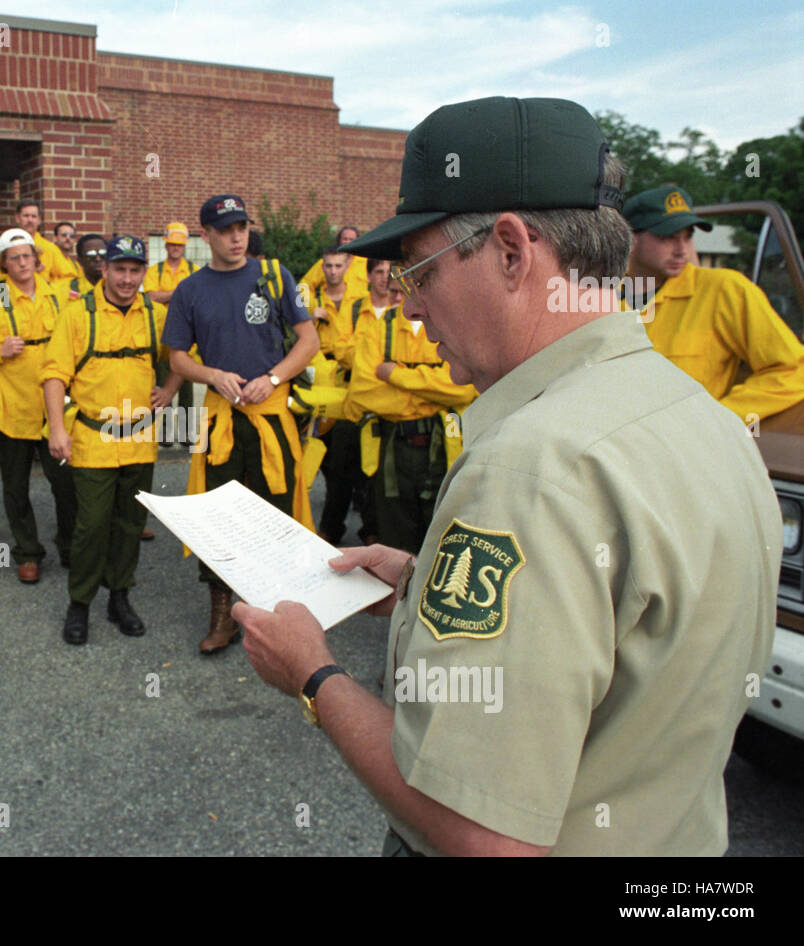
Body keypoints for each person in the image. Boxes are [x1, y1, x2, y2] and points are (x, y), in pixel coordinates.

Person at [235, 96, 779, 857]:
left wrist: (313, 674)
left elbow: (479, 835)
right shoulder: (705, 417)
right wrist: (422, 583)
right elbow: (628, 630)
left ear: (513, 250)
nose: (413, 309)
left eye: (419, 272)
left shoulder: (533, 466)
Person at [163, 194, 319, 654]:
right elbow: (175, 357)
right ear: (206, 235)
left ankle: (278, 612)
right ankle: (222, 613)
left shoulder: (273, 275)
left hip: (270, 416)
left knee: (276, 511)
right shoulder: (192, 290)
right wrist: (212, 374)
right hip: (220, 419)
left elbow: (308, 341)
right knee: (218, 516)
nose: (237, 237)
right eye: (226, 229)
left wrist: (272, 378)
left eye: (242, 227)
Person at [43, 235, 182, 643]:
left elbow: (180, 355)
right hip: (92, 440)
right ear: (103, 269)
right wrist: (57, 428)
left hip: (139, 441)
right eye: (119, 269)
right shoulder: (76, 314)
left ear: (144, 272)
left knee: (130, 524)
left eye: (135, 270)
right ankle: (80, 602)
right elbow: (54, 375)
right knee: (91, 526)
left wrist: (170, 389)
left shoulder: (155, 315)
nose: (126, 278)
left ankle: (120, 596)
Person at [624, 183, 804, 423]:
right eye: (667, 237)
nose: (682, 251)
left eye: (688, 237)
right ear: (630, 238)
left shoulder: (725, 290)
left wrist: (718, 420)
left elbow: (793, 370)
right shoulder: (595, 295)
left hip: (686, 448)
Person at [0, 228, 75, 583]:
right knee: (15, 488)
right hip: (14, 411)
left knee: (67, 485)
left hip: (56, 411)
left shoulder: (58, 296)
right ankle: (26, 552)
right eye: (15, 257)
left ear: (38, 260)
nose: (23, 263)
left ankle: (69, 545)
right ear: (3, 263)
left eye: (28, 256)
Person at [342, 282, 475, 553]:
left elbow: (465, 388)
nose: (403, 297)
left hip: (443, 447)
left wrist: (396, 376)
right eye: (396, 289)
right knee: (395, 538)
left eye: (413, 287)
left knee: (443, 534)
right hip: (392, 448)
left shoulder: (453, 325)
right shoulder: (378, 328)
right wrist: (433, 394)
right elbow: (361, 394)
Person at [307, 247, 374, 545]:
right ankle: (331, 524)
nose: (333, 271)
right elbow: (291, 328)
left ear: (347, 266)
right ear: (322, 268)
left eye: (338, 266)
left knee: (351, 456)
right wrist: (310, 316)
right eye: (328, 266)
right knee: (322, 451)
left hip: (350, 385)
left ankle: (357, 522)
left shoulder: (359, 300)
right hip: (320, 382)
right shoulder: (309, 295)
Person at [0, 200, 74, 284]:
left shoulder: (49, 249)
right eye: (26, 216)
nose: (30, 220)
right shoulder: (3, 246)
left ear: (39, 220)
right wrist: (18, 273)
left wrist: (49, 287)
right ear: (17, 218)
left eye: (33, 216)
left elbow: (69, 278)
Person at [301, 225, 368, 302]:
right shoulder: (326, 263)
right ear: (339, 241)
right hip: (329, 310)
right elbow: (303, 285)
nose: (348, 242)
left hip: (356, 311)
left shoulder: (365, 263)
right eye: (345, 239)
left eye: (351, 239)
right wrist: (312, 306)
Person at [142, 222, 199, 305]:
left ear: (184, 248)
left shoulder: (195, 270)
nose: (176, 248)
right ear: (166, 246)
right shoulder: (153, 271)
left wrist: (163, 296)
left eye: (179, 245)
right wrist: (180, 292)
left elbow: (198, 298)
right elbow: (151, 297)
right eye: (172, 244)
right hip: (161, 318)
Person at [54, 232, 106, 302]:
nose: (98, 259)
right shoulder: (64, 290)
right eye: (91, 255)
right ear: (80, 260)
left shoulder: (119, 289)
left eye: (103, 254)